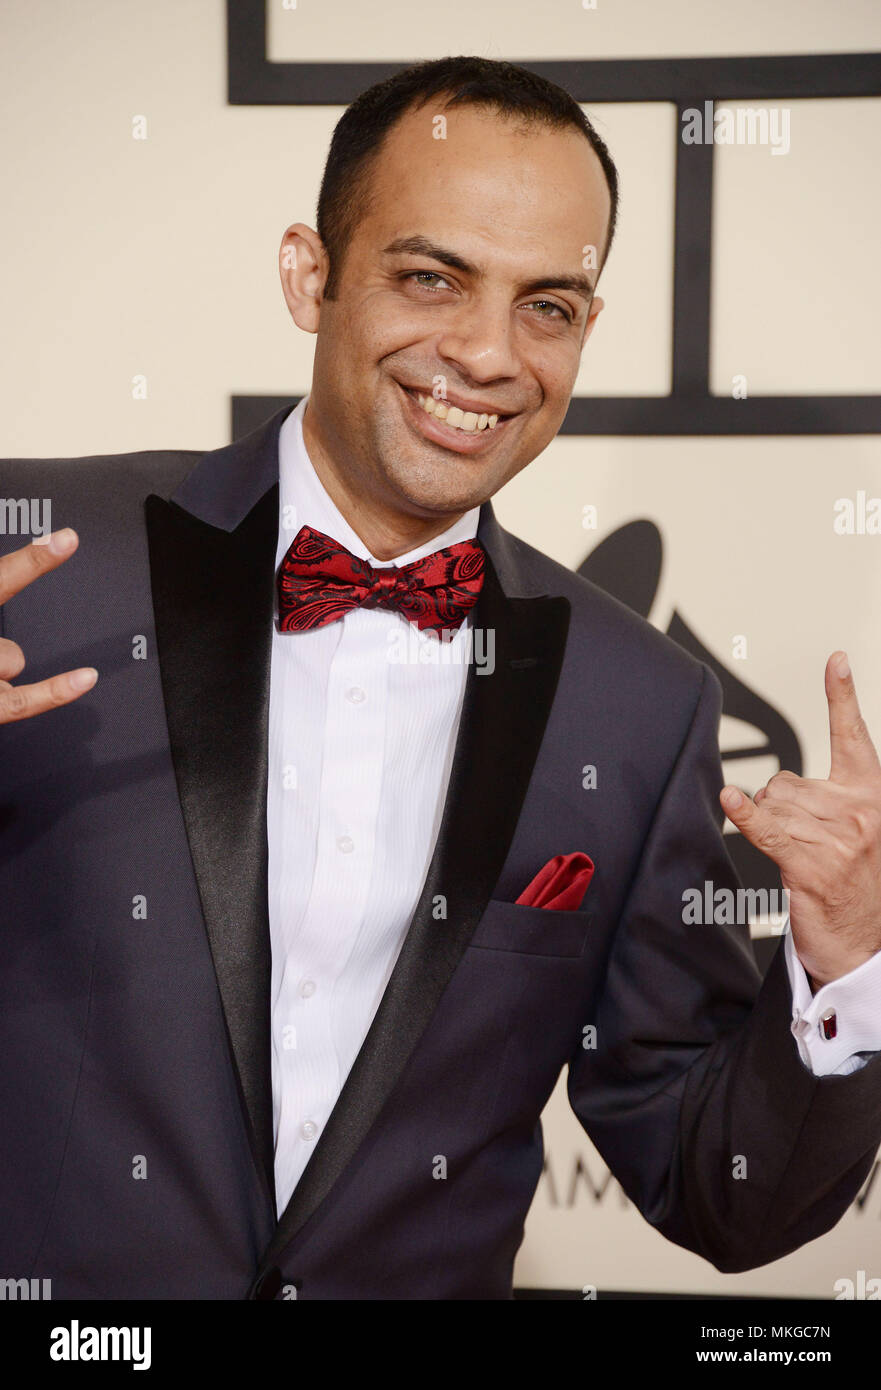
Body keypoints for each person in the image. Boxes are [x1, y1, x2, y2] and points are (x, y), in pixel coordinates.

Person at [1, 55, 880, 1302]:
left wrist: (848, 966)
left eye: (548, 305)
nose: (483, 353)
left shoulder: (636, 707)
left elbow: (711, 1183)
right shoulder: (37, 558)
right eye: (430, 277)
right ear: (310, 275)